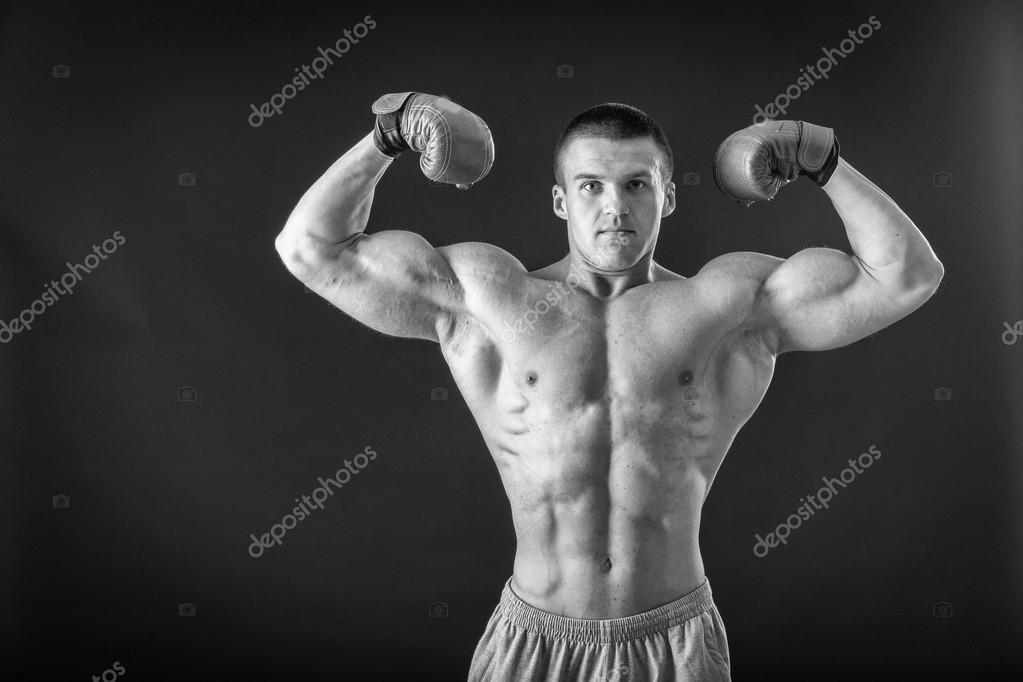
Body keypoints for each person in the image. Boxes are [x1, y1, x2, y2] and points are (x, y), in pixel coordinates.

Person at [274, 92, 944, 681]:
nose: (614, 207)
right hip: (533, 640)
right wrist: (388, 134)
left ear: (667, 195)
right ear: (560, 200)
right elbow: (311, 248)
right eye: (590, 186)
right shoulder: (491, 297)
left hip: (672, 643)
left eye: (636, 185)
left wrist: (820, 159)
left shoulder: (726, 304)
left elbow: (905, 276)